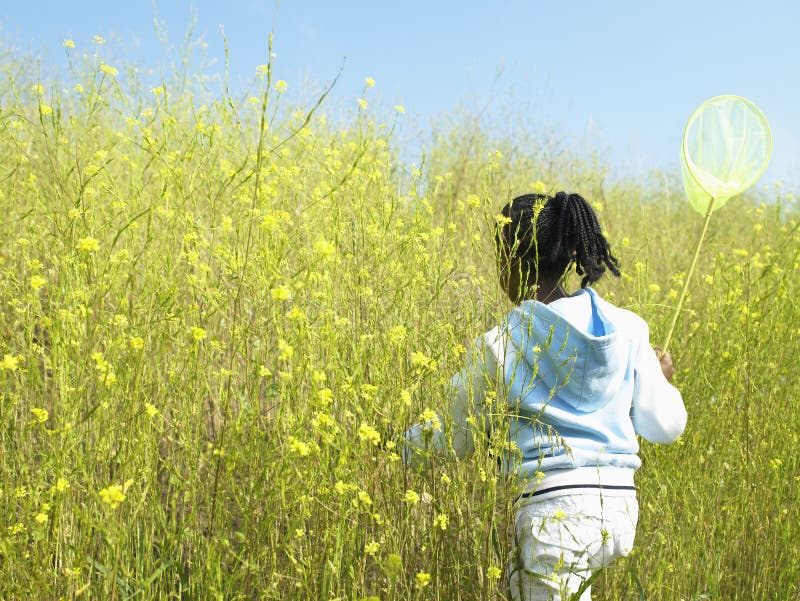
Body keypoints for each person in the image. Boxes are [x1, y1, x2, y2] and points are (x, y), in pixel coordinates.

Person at [403, 191, 687, 600]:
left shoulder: (504, 339)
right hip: (619, 507)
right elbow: (664, 426)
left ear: (511, 261)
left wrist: (397, 448)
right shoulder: (628, 328)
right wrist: (663, 381)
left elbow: (454, 431)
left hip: (553, 515)